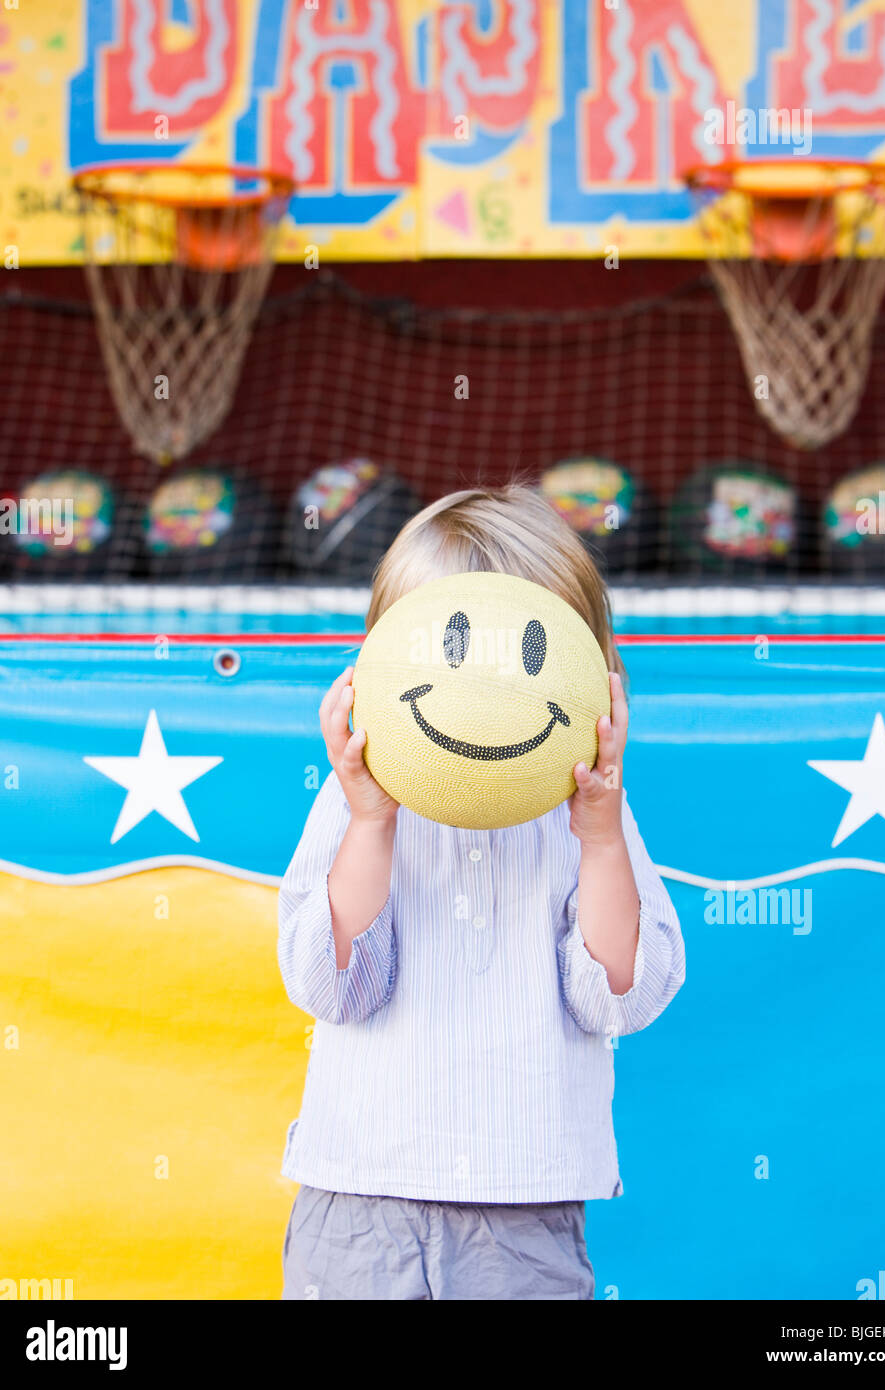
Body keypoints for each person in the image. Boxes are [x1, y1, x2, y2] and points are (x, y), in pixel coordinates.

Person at [277, 484, 685, 1300]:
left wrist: (599, 833)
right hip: (358, 1199)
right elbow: (331, 984)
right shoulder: (357, 797)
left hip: (522, 1215)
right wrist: (369, 822)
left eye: (524, 664)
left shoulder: (591, 808)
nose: (481, 696)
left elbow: (618, 996)